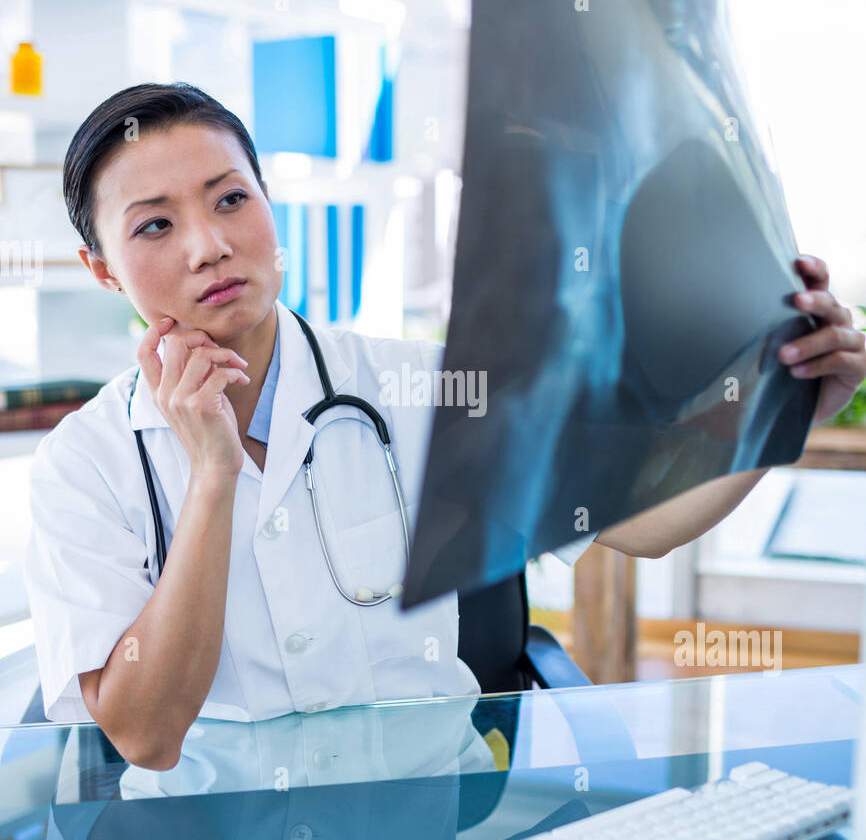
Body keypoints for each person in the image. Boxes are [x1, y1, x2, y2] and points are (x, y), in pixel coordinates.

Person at [23, 83, 866, 771]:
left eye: (231, 199)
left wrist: (784, 408)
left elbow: (645, 521)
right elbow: (145, 734)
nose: (209, 245)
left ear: (269, 208)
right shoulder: (83, 465)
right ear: (101, 269)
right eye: (155, 225)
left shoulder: (420, 386)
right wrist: (211, 477)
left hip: (426, 836)